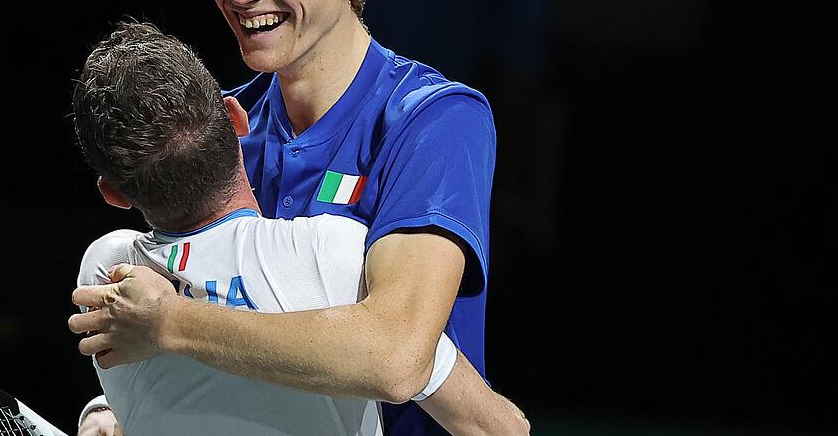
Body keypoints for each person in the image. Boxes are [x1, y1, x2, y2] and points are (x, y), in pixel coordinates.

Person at [69, 0, 504, 435]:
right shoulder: (220, 130)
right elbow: (227, 338)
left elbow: (397, 357)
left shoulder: (434, 121)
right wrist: (119, 409)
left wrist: (169, 323)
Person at [71, 22, 526, 435]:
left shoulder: (107, 271)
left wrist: (160, 339)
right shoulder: (337, 254)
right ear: (236, 121)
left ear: (114, 194)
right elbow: (495, 427)